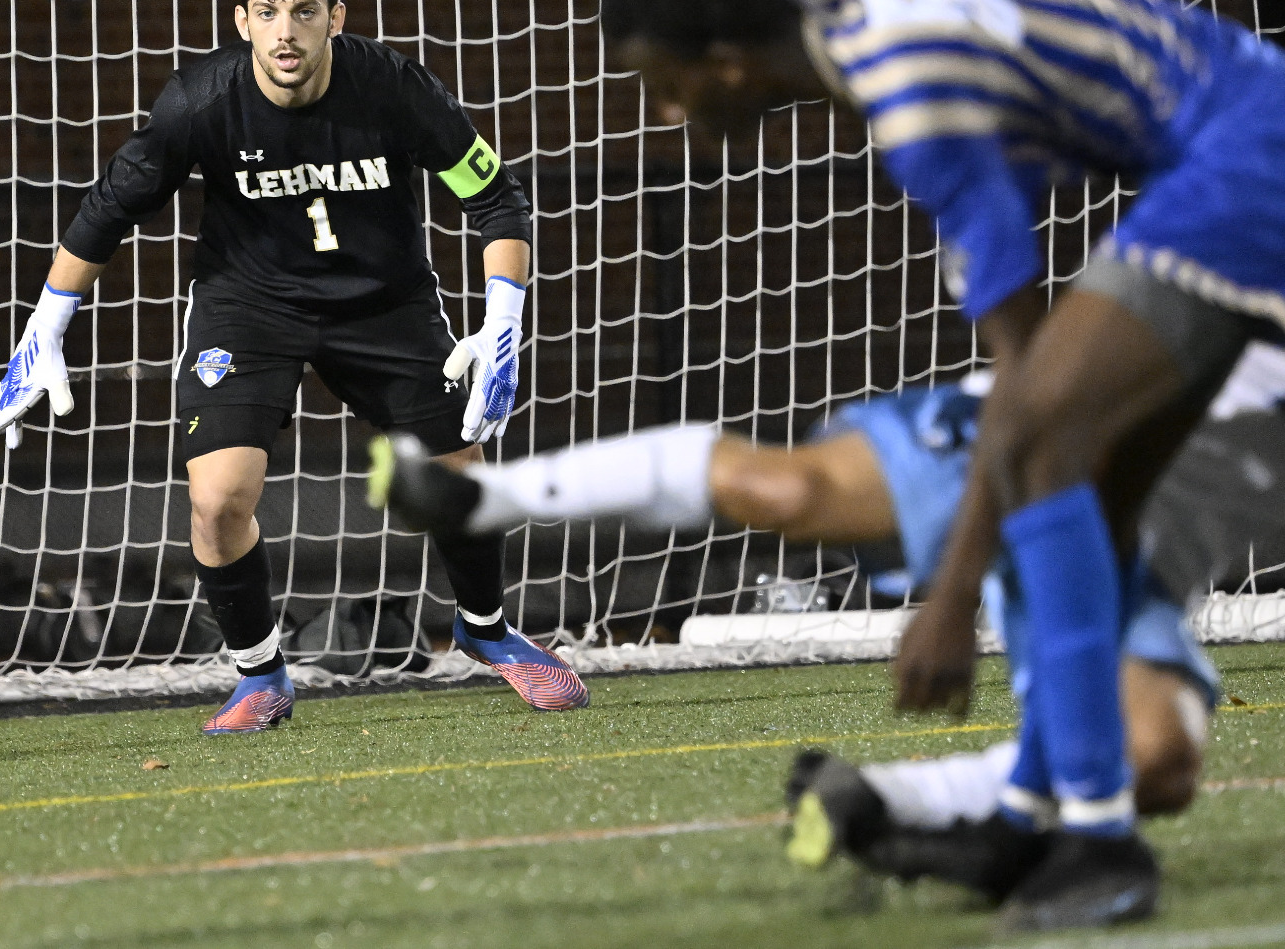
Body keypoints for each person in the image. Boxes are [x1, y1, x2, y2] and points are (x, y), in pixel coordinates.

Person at [595, 0, 1271, 929]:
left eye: (659, 84)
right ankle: (1024, 813)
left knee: (1052, 446)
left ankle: (1096, 844)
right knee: (1090, 493)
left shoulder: (912, 106)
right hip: (1233, 132)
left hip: (1241, 165)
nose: (663, 113)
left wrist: (948, 600)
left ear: (718, 64)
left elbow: (1019, 393)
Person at [371, 341, 1285, 898]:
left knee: (1159, 762)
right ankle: (481, 493)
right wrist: (956, 596)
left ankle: (887, 799)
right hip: (1027, 440)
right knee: (789, 487)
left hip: (1137, 547)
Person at [0, 0, 587, 732]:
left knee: (460, 483)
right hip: (250, 305)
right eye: (268, 11)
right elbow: (109, 208)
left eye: (304, 11)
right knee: (219, 498)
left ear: (337, 17)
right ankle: (261, 675)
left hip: (385, 303)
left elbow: (495, 196)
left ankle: (484, 626)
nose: (285, 31)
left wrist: (502, 319)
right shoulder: (200, 100)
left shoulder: (394, 86)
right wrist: (47, 324)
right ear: (242, 21)